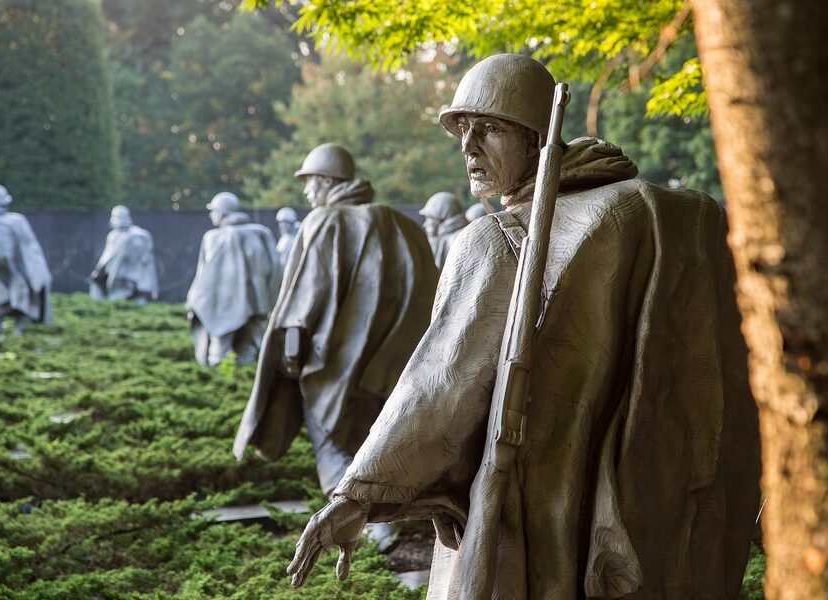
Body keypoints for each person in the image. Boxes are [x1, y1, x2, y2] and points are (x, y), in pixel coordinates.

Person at [285, 54, 761, 599]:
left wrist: (356, 495)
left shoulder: (494, 241)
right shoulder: (657, 217)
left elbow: (440, 387)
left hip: (533, 526)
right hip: (663, 522)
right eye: (462, 131)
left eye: (488, 129)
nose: (468, 147)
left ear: (538, 139)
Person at [232, 144, 438, 540]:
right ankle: (388, 517)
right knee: (375, 440)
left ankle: (367, 526)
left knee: (330, 445)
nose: (307, 192)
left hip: (332, 365)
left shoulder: (323, 221)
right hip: (390, 365)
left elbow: (307, 294)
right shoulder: (400, 223)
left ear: (327, 182)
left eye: (310, 182)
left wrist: (291, 351)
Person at [186, 191, 280, 366]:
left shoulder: (212, 238)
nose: (211, 214)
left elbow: (203, 276)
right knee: (250, 354)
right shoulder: (261, 233)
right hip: (256, 306)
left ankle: (221, 386)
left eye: (213, 210)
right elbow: (275, 269)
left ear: (221, 212)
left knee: (218, 356)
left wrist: (194, 300)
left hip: (223, 308)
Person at [0, 184, 51, 335]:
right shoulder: (16, 221)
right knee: (24, 297)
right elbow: (31, 250)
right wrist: (39, 276)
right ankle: (19, 332)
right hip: (15, 272)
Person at [89, 205, 159, 304]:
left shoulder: (117, 236)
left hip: (125, 279)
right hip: (132, 278)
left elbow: (106, 259)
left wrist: (98, 272)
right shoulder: (142, 235)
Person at [419, 191, 468, 270]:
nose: (425, 224)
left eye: (429, 218)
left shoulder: (458, 239)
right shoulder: (441, 239)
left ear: (441, 216)